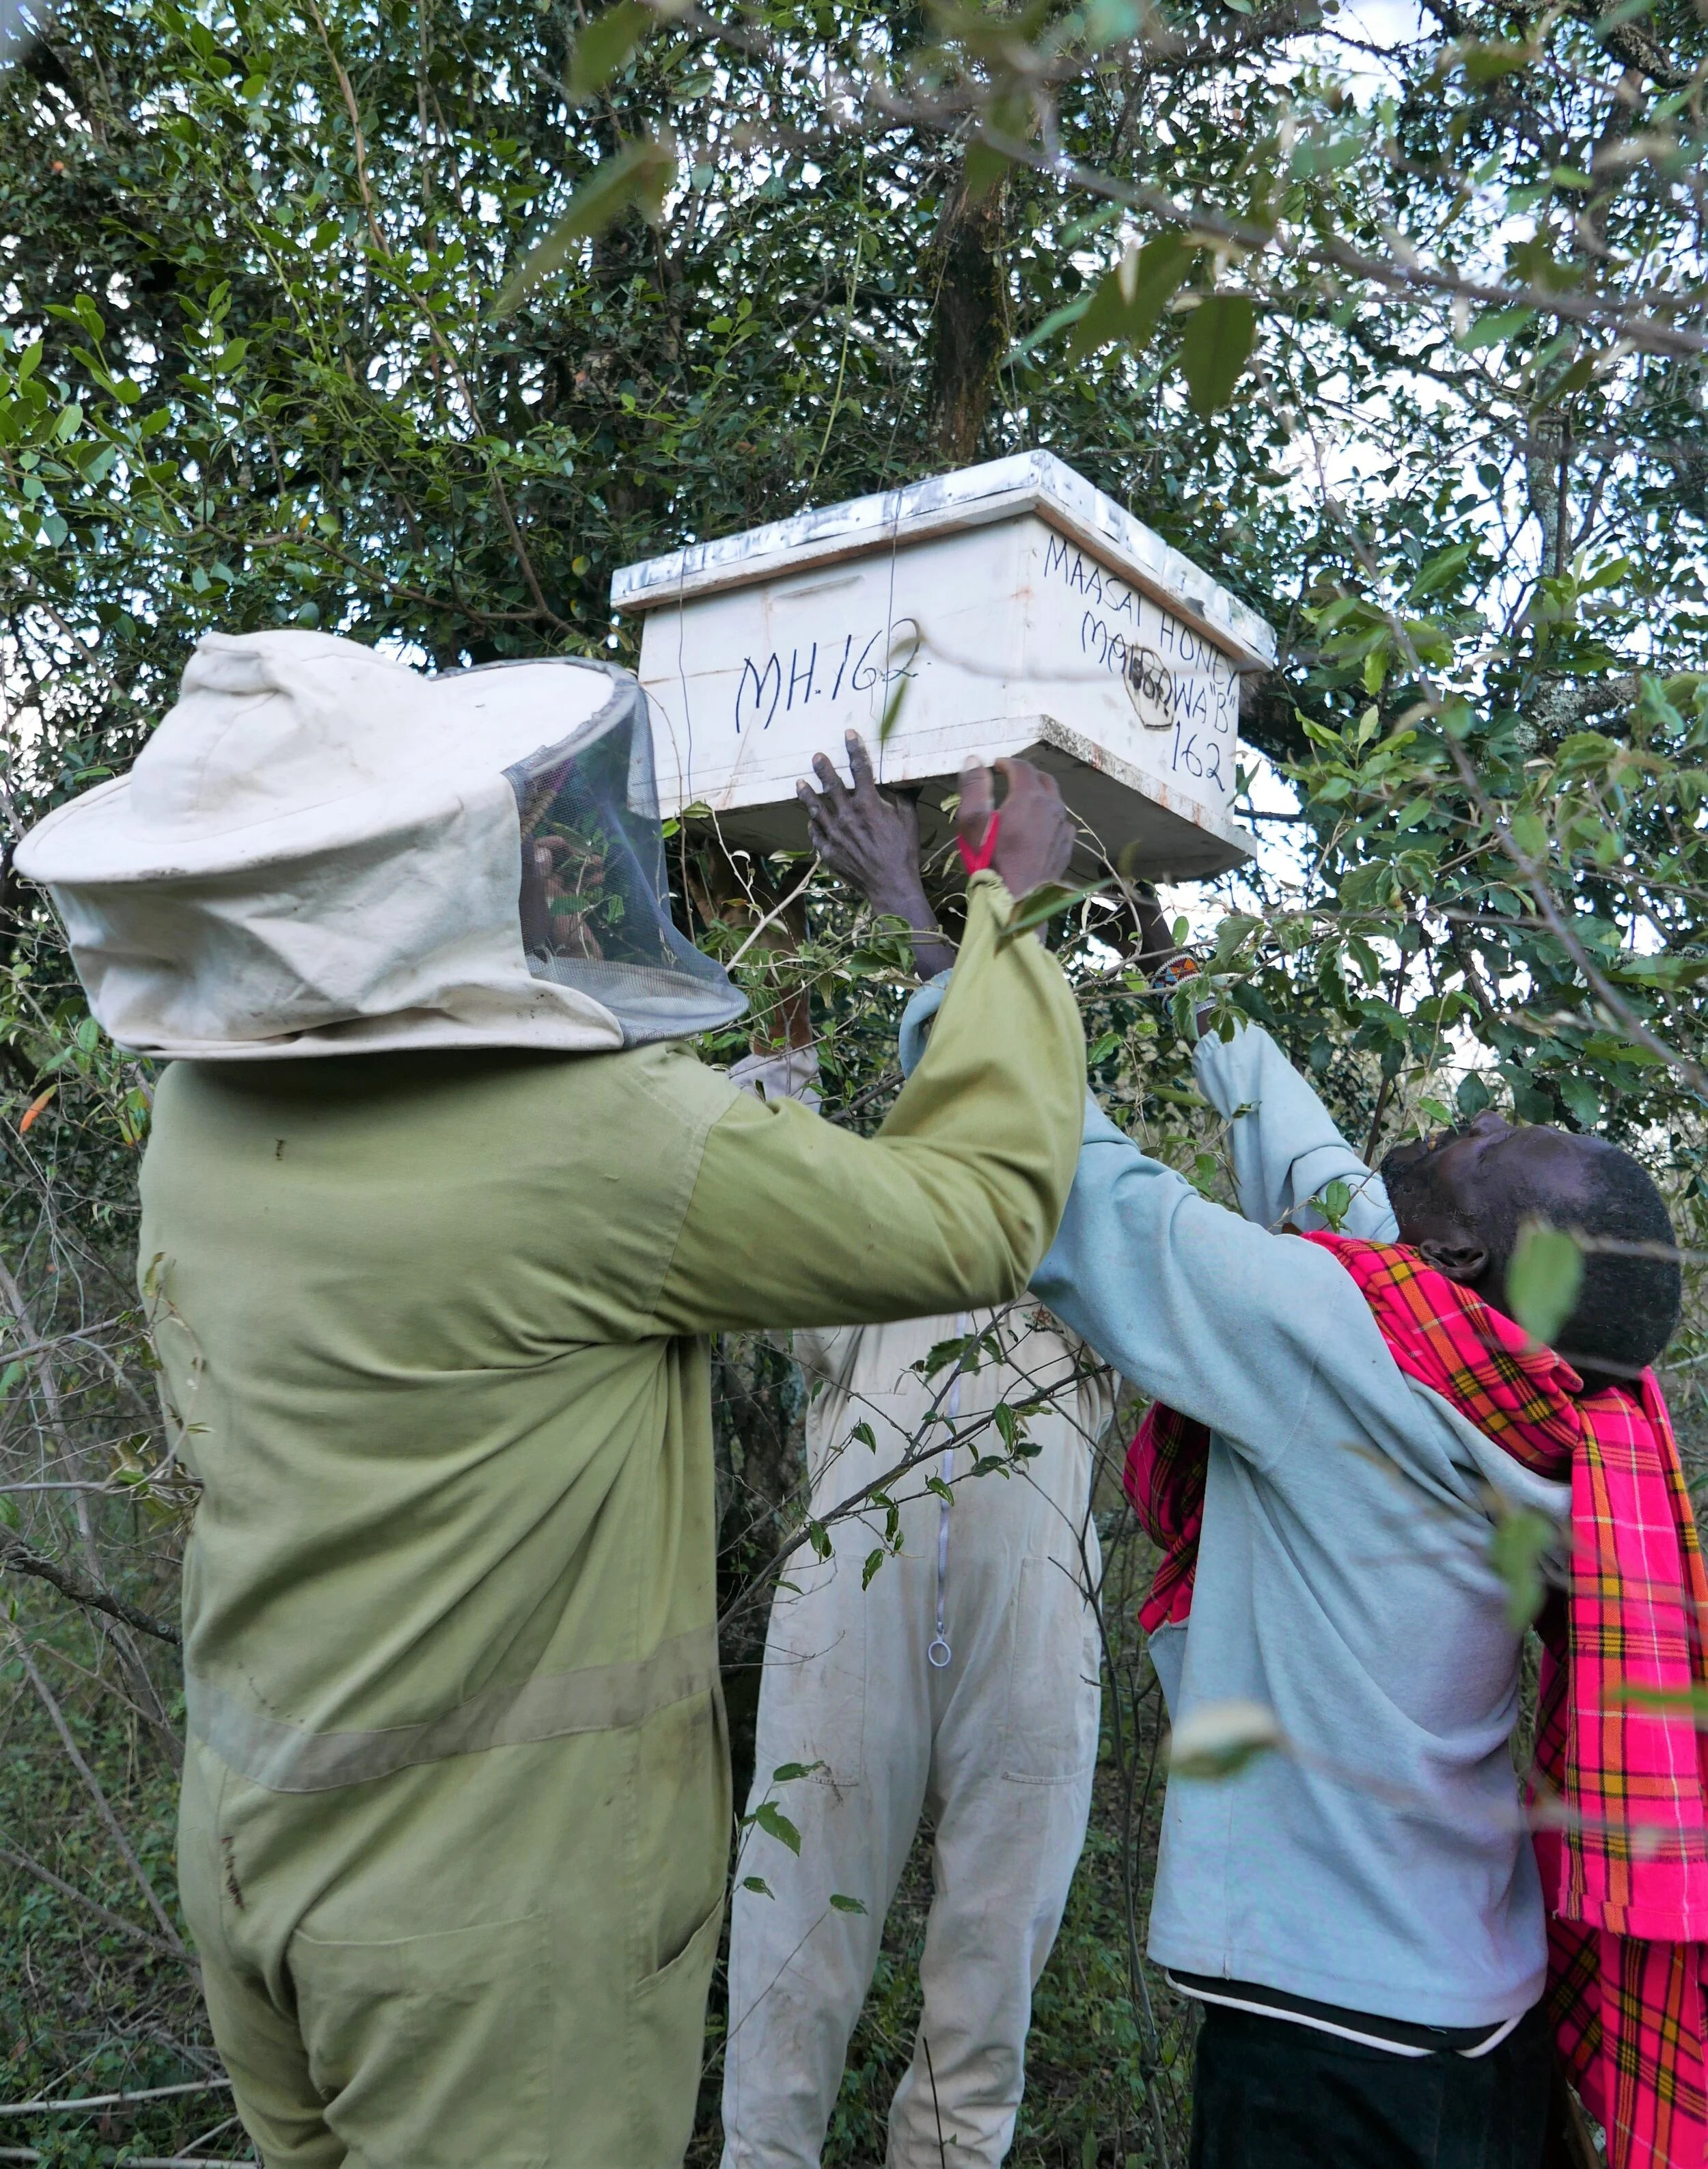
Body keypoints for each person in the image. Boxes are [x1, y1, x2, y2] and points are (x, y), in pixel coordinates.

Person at [12, 629, 1088, 2169]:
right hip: (489, 1935)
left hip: (251, 1851)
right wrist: (1010, 909)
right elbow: (977, 1215)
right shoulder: (599, 1136)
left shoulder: (199, 1107)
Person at [1018, 959, 1708, 2169]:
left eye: (1498, 1149)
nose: (1483, 1115)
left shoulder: (1339, 1347)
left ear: (1457, 1261)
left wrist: (951, 959)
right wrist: (1188, 981)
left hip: (1322, 2044)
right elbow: (1330, 1183)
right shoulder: (1564, 1411)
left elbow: (1103, 1206)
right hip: (1487, 2025)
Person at [719, 734, 1114, 2169]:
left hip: (1032, 1614)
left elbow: (1011, 1130)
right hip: (852, 1588)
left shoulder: (1077, 1196)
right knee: (787, 1947)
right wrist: (786, 1063)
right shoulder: (862, 1211)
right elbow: (802, 1279)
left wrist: (920, 905)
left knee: (987, 1977)